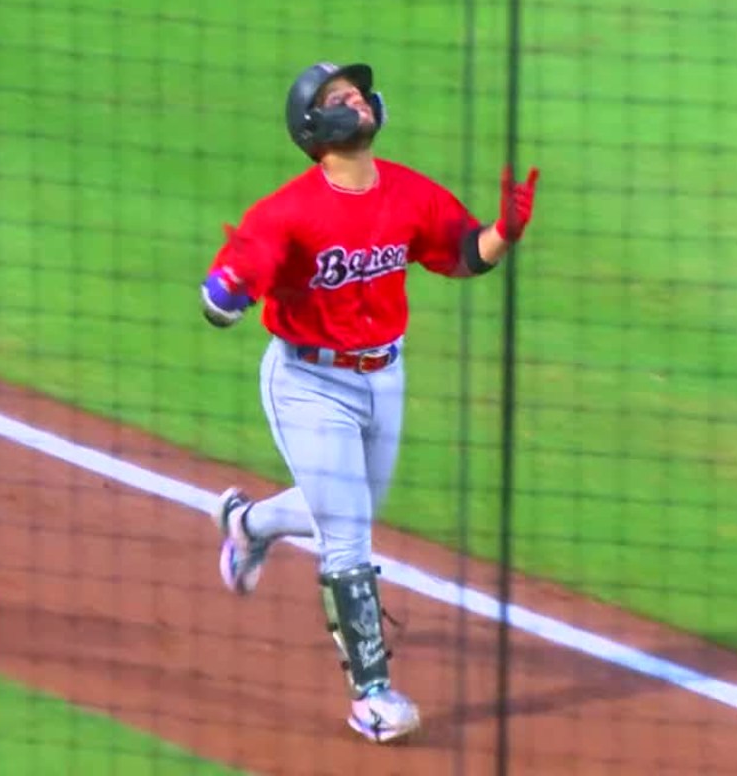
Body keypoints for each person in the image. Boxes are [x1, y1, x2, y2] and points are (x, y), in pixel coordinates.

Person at [197, 61, 540, 744]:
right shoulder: (287, 212)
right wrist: (230, 293)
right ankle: (372, 696)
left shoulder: (407, 191)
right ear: (313, 126)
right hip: (307, 381)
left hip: (384, 376)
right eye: (336, 97)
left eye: (357, 91)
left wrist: (504, 232)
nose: (355, 99)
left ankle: (250, 523)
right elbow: (219, 296)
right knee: (349, 535)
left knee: (352, 510)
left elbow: (463, 253)